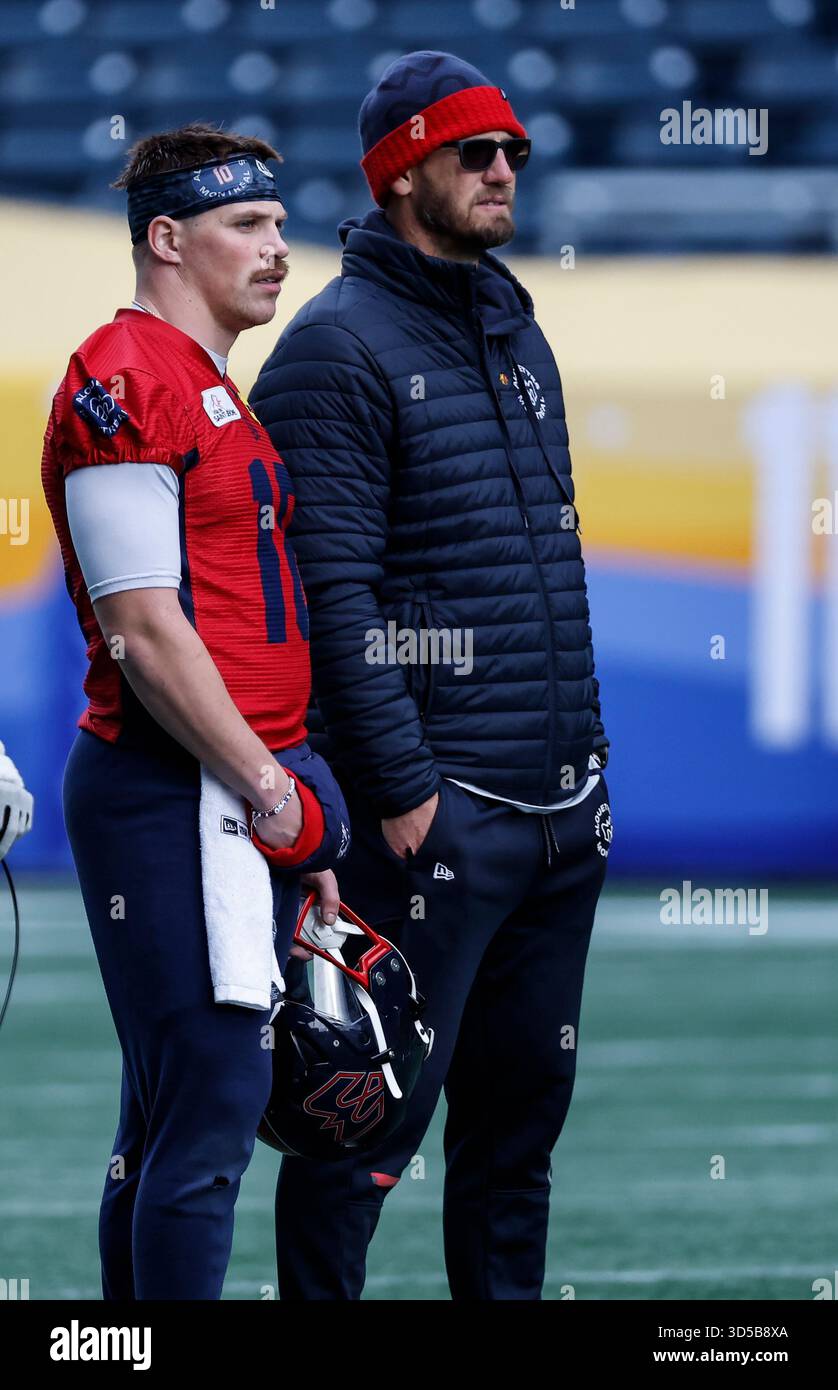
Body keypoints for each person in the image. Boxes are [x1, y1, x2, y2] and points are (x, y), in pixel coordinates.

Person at [250, 52, 613, 1301]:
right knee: (358, 1138)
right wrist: (406, 793)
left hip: (559, 817)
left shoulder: (519, 326)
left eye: (512, 149)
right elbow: (328, 596)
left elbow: (550, 573)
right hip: (434, 822)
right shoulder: (333, 347)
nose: (505, 168)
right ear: (404, 170)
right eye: (476, 151)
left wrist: (590, 770)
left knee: (518, 1146)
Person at [40, 122, 347, 1301]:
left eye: (277, 221)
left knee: (173, 1112)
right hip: (174, 787)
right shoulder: (126, 377)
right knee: (211, 1110)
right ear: (166, 239)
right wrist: (275, 794)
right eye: (247, 225)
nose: (280, 248)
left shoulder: (210, 382)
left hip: (228, 787)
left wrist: (289, 800)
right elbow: (145, 628)